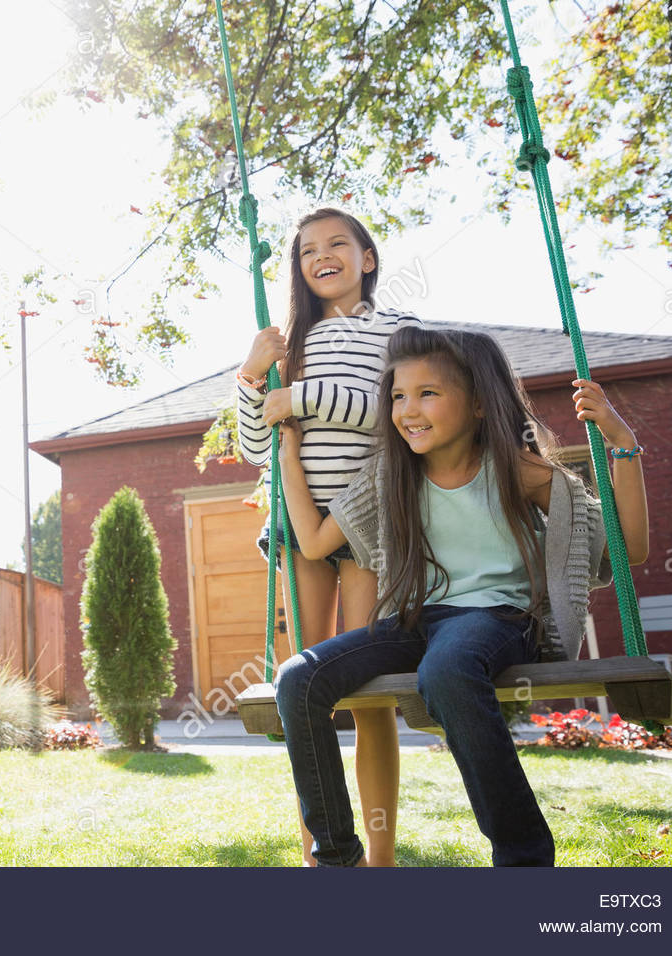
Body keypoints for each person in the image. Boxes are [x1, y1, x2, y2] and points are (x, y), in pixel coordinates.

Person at [270, 325, 648, 866]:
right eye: (398, 396)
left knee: (445, 671)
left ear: (475, 404)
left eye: (428, 393)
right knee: (298, 678)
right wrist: (288, 457)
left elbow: (628, 548)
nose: (407, 410)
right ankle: (336, 857)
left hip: (499, 619)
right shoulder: (392, 475)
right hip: (420, 622)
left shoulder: (521, 471)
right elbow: (311, 541)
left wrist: (621, 444)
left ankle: (523, 861)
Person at [237, 207, 422, 866]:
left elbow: (401, 413)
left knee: (369, 691)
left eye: (338, 243)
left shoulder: (398, 331)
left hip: (370, 517)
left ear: (366, 257)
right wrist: (252, 378)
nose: (323, 255)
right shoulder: (290, 341)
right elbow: (257, 443)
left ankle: (380, 856)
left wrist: (303, 398)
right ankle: (322, 846)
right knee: (306, 693)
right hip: (298, 517)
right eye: (308, 248)